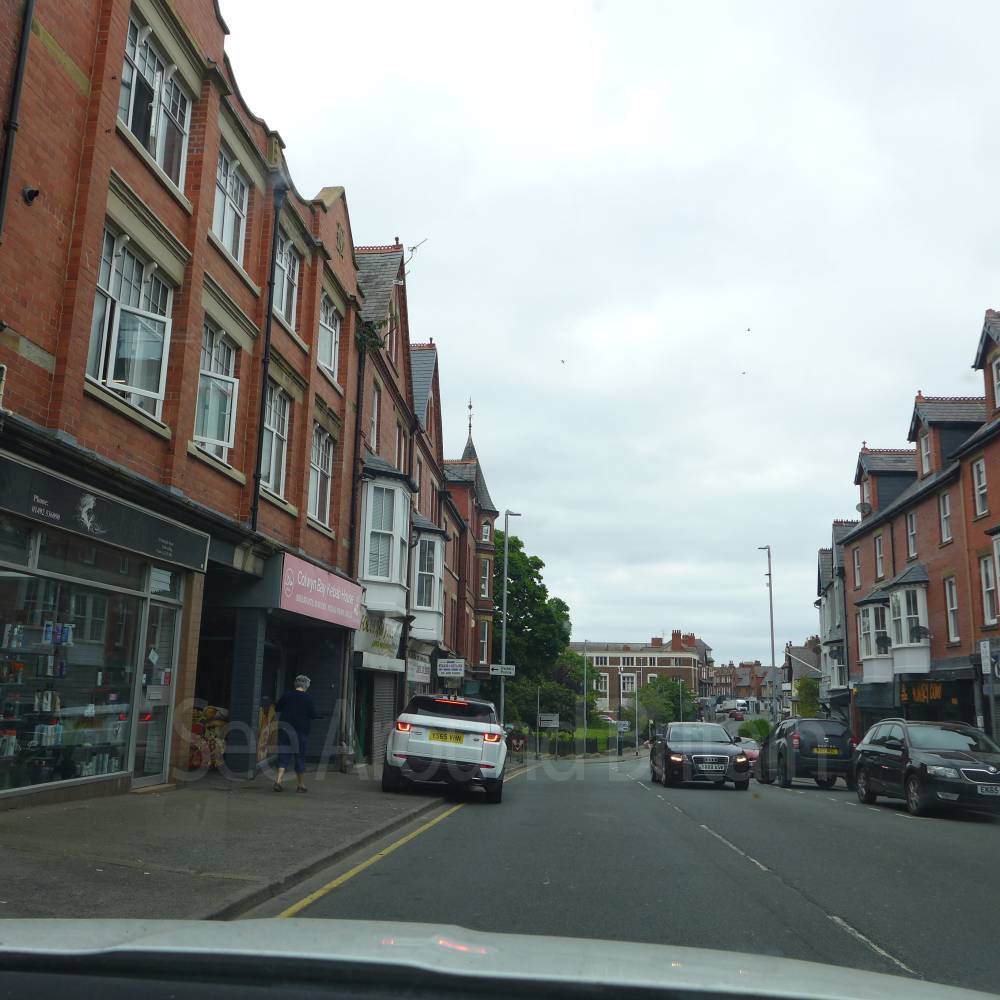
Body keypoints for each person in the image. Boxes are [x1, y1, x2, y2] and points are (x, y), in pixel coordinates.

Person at [273, 675, 320, 793]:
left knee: (283, 755)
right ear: (306, 686)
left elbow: (277, 708)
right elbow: (313, 714)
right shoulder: (308, 698)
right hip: (300, 731)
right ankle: (301, 785)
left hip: (285, 729)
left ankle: (278, 781)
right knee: (300, 756)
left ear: (295, 684)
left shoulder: (286, 695)